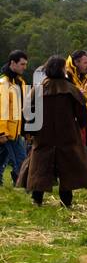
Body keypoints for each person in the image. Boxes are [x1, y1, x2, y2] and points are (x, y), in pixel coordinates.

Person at [17, 55, 87, 208]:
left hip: (43, 136)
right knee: (67, 168)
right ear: (61, 69)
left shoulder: (38, 89)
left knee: (40, 166)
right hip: (67, 136)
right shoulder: (71, 89)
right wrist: (79, 126)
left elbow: (26, 113)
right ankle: (66, 202)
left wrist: (28, 133)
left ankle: (36, 199)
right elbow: (83, 114)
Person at [0, 52, 30, 185]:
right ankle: (25, 185)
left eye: (25, 64)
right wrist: (2, 132)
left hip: (16, 130)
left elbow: (22, 108)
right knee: (21, 159)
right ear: (12, 63)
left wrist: (26, 128)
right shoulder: (4, 83)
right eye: (22, 64)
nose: (25, 67)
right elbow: (2, 110)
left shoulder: (21, 82)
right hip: (8, 131)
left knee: (3, 158)